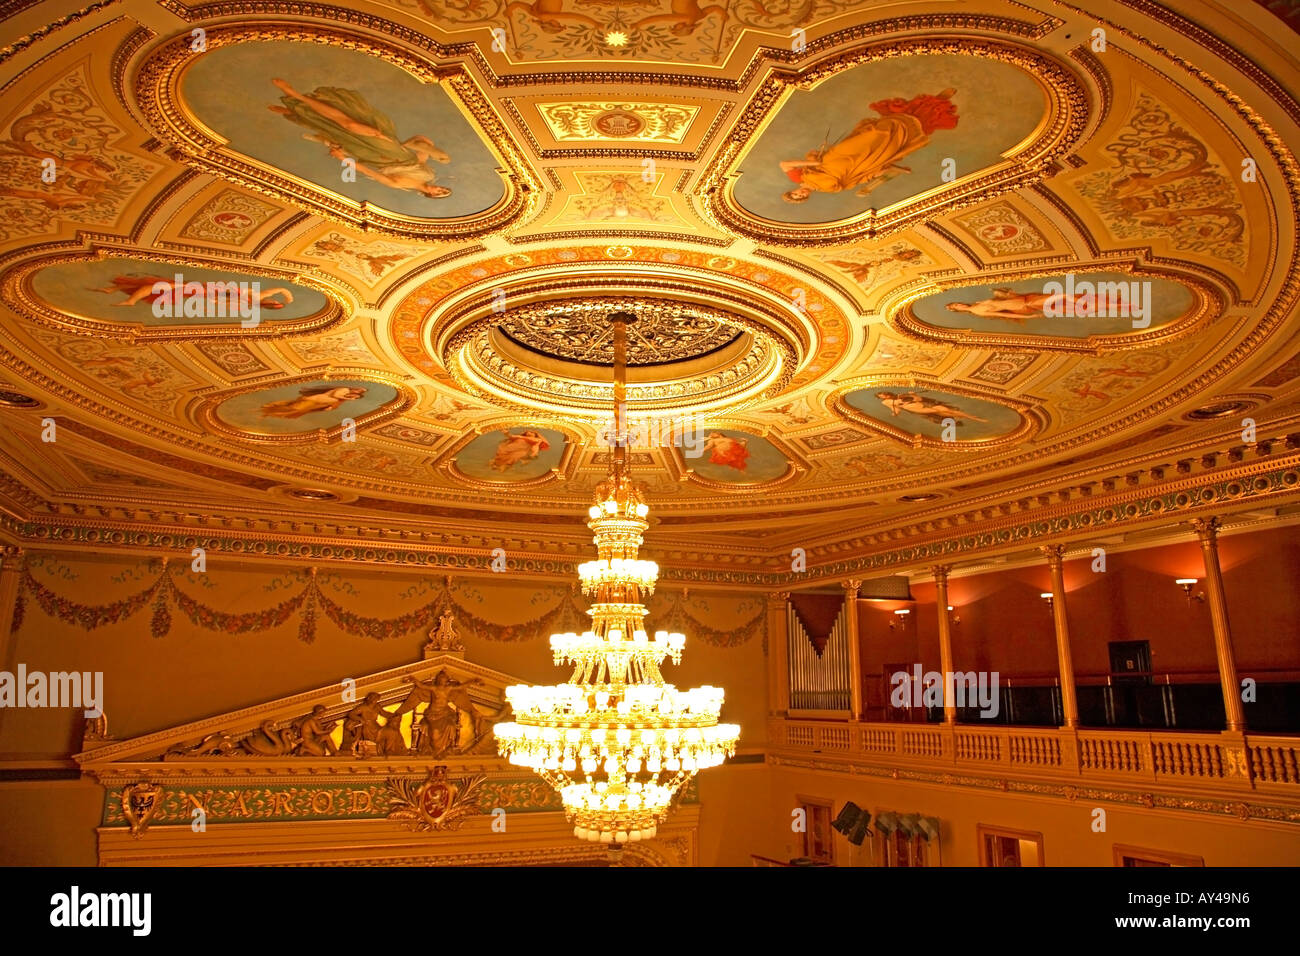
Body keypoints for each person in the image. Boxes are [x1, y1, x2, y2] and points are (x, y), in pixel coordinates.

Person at [268, 78, 451, 199]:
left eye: (440, 193)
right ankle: (294, 95)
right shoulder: (429, 174)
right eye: (443, 189)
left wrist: (343, 159)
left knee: (336, 130)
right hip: (394, 150)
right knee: (350, 124)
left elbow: (369, 172)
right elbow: (421, 154)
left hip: (370, 155)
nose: (439, 189)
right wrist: (430, 147)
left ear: (432, 196)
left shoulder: (400, 185)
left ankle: (295, 111)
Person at [780, 89, 957, 203]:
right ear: (806, 197)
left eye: (796, 194)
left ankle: (903, 118)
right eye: (801, 197)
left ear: (793, 190)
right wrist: (885, 169)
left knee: (872, 135)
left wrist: (813, 165)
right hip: (859, 165)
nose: (801, 194)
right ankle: (934, 107)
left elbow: (784, 164)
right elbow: (858, 180)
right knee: (888, 148)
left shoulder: (799, 178)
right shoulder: (828, 189)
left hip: (837, 155)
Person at [260, 385, 366, 419]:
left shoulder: (342, 399)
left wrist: (330, 408)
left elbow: (333, 404)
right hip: (313, 400)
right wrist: (348, 398)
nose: (353, 396)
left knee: (294, 411)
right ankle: (271, 408)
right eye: (355, 393)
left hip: (314, 403)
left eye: (355, 397)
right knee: (294, 408)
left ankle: (271, 411)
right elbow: (335, 395)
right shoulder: (344, 390)